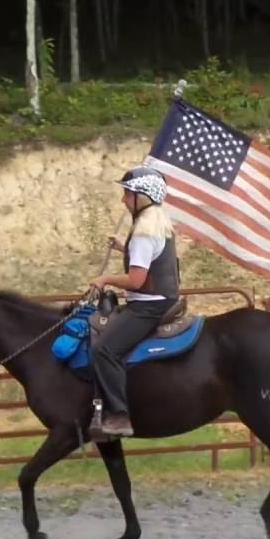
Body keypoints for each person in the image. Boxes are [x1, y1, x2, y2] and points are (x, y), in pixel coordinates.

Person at [87, 166, 180, 438]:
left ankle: (119, 416)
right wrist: (123, 247)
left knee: (104, 349)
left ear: (143, 196)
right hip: (164, 298)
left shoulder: (143, 232)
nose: (123, 200)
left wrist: (105, 279)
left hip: (148, 305)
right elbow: (150, 257)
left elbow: (136, 281)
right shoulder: (157, 222)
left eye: (127, 194)